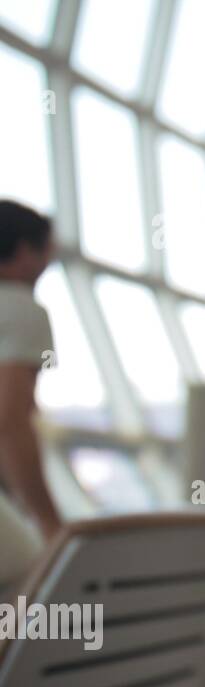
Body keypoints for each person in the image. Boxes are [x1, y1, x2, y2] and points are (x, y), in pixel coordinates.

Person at [0, 200, 61, 591]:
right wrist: (50, 521)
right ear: (25, 252)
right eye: (46, 252)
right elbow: (10, 419)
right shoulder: (22, 308)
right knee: (37, 574)